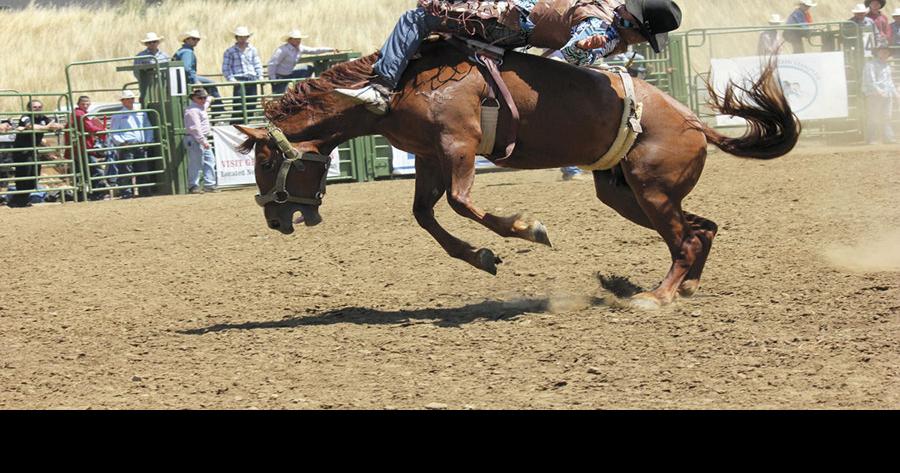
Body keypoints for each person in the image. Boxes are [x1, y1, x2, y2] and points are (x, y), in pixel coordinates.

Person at [334, 0, 683, 115]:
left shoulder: (602, 30)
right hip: (514, 17)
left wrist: (585, 48)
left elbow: (568, 56)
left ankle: (381, 87)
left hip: (508, 24)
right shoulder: (608, 18)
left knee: (418, 17)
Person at [8, 100, 64, 208]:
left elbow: (57, 125)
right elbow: (30, 126)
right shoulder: (25, 116)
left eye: (39, 107)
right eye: (35, 107)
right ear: (29, 109)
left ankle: (20, 199)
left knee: (35, 175)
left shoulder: (43, 117)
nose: (37, 109)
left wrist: (52, 126)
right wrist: (47, 127)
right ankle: (19, 200)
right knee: (24, 174)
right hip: (22, 151)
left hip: (34, 150)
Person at [109, 90, 154, 198]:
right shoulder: (118, 115)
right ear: (123, 101)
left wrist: (148, 140)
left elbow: (148, 127)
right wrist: (121, 143)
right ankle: (126, 192)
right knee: (126, 169)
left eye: (132, 98)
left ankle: (144, 191)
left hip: (140, 144)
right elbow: (114, 131)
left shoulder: (141, 113)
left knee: (142, 168)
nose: (130, 101)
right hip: (127, 145)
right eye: (127, 99)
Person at [268, 28, 337, 95]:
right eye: (296, 39)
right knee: (279, 97)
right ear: (290, 40)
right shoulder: (282, 50)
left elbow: (314, 50)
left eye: (299, 39)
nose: (298, 41)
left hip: (289, 74)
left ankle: (300, 89)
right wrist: (273, 79)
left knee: (308, 69)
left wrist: (330, 49)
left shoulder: (300, 48)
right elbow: (272, 64)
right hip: (279, 77)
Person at [173, 30, 225, 118]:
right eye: (193, 39)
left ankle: (217, 109)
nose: (196, 41)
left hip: (181, 78)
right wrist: (195, 81)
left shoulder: (182, 51)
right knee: (210, 83)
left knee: (208, 83)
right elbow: (187, 68)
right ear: (187, 40)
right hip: (187, 79)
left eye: (197, 39)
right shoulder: (187, 52)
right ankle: (218, 108)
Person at [70, 95, 110, 200]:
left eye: (87, 104)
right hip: (82, 147)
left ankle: (85, 193)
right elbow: (89, 127)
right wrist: (100, 130)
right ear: (78, 104)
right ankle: (98, 192)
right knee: (94, 168)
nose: (85, 105)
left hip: (81, 146)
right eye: (83, 104)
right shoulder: (80, 114)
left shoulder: (80, 113)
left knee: (84, 170)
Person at [222, 26, 263, 123]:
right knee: (239, 106)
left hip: (252, 79)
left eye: (244, 37)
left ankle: (246, 125)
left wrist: (260, 76)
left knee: (252, 105)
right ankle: (235, 126)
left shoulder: (252, 49)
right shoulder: (230, 51)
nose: (243, 39)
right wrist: (231, 79)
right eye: (240, 37)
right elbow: (226, 68)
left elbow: (257, 64)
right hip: (239, 79)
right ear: (236, 37)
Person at [862, 41, 899, 144]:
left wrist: (895, 93)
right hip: (874, 95)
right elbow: (870, 80)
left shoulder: (886, 66)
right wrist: (877, 90)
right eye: (882, 51)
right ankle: (872, 138)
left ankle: (888, 137)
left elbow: (889, 81)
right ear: (877, 53)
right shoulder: (870, 65)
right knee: (874, 116)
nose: (885, 53)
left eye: (886, 52)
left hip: (886, 94)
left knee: (886, 116)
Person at [183, 88, 218, 193]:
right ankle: (194, 185)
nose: (203, 99)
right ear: (194, 98)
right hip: (196, 139)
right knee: (196, 163)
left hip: (199, 139)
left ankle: (209, 184)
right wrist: (203, 141)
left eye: (204, 97)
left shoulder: (199, 107)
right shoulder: (192, 111)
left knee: (208, 161)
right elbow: (195, 129)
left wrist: (209, 99)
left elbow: (206, 103)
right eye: (200, 98)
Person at [134, 32, 170, 100]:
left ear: (158, 42)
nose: (152, 44)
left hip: (163, 85)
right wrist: (143, 81)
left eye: (154, 41)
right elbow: (136, 72)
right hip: (147, 86)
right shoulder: (140, 56)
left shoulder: (165, 56)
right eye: (149, 42)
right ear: (146, 44)